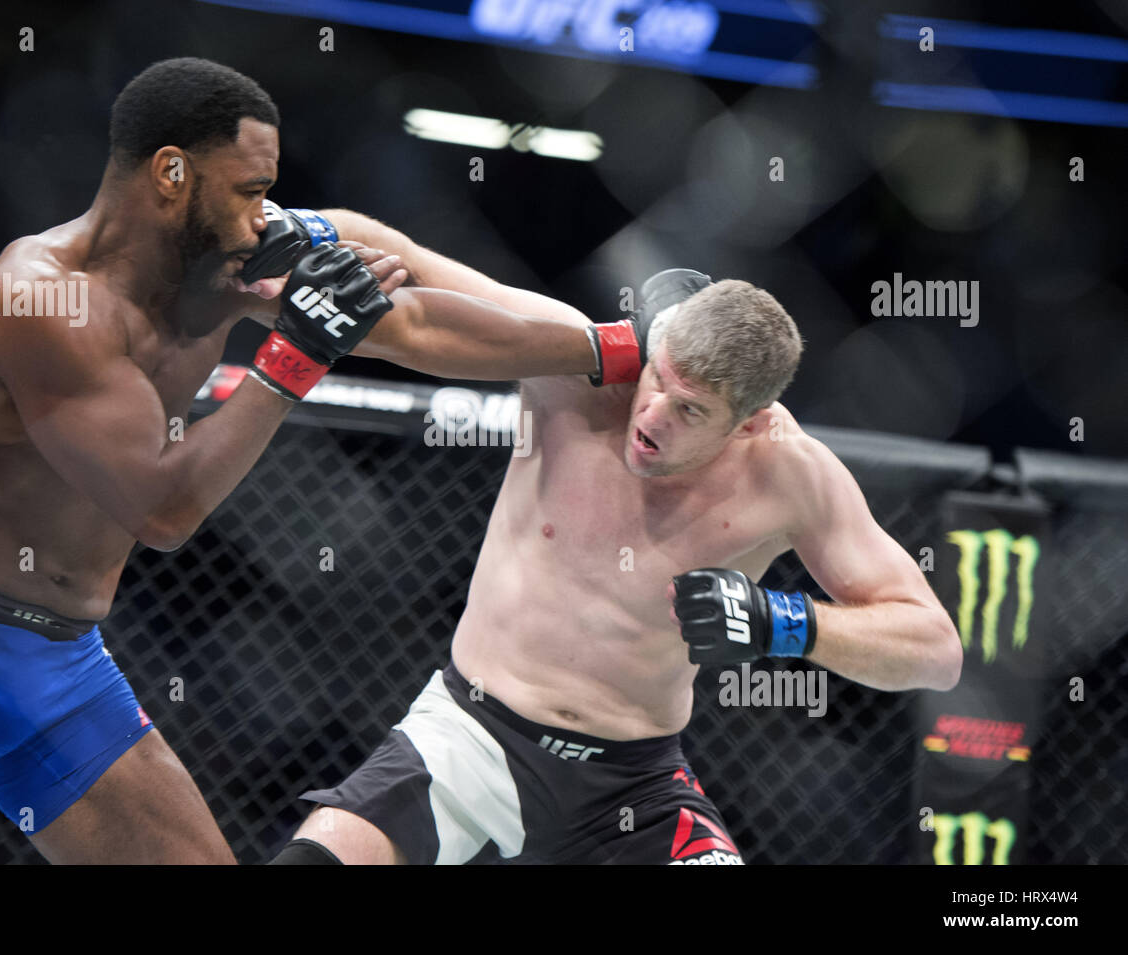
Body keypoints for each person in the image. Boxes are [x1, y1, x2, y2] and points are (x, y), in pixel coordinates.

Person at [0, 57, 601, 864]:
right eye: (248, 190)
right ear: (171, 174)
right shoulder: (39, 296)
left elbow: (414, 307)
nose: (263, 215)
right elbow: (162, 510)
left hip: (59, 665)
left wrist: (606, 349)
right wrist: (295, 353)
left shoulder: (230, 264)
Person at [270, 211, 964, 865]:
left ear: (750, 423)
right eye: (659, 377)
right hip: (467, 738)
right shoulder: (571, 364)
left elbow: (935, 651)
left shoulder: (790, 472)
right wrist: (288, 226)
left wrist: (784, 621)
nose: (653, 414)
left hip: (636, 784)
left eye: (691, 409)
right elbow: (408, 260)